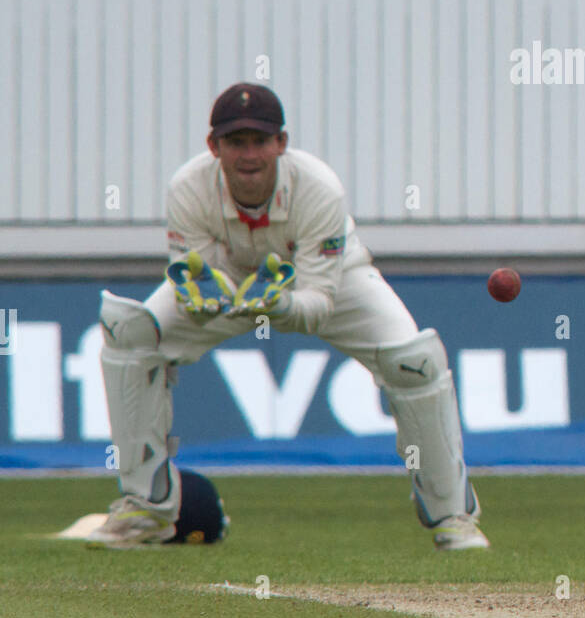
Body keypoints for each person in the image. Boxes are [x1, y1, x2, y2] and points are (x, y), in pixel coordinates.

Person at [84, 83, 488, 552]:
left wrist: (280, 305)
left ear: (281, 143)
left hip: (333, 278)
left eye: (260, 141)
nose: (249, 154)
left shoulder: (319, 188)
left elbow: (318, 301)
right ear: (214, 146)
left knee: (414, 362)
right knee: (131, 335)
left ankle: (452, 516)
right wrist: (201, 298)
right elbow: (193, 275)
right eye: (236, 142)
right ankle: (145, 511)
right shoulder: (188, 188)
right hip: (231, 276)